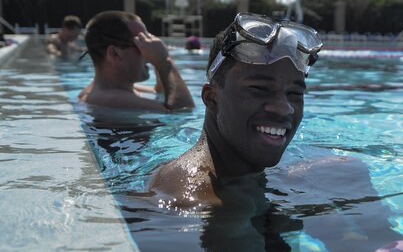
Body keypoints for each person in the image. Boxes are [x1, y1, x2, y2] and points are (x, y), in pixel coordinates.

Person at [148, 12, 324, 206]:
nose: (284, 108)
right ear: (211, 98)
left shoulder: (238, 176)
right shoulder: (199, 202)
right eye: (259, 89)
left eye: (295, 93)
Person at [78, 11, 195, 111]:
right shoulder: (108, 99)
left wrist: (158, 61)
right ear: (115, 53)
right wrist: (163, 60)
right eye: (141, 42)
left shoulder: (118, 88)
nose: (149, 48)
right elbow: (182, 111)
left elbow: (161, 92)